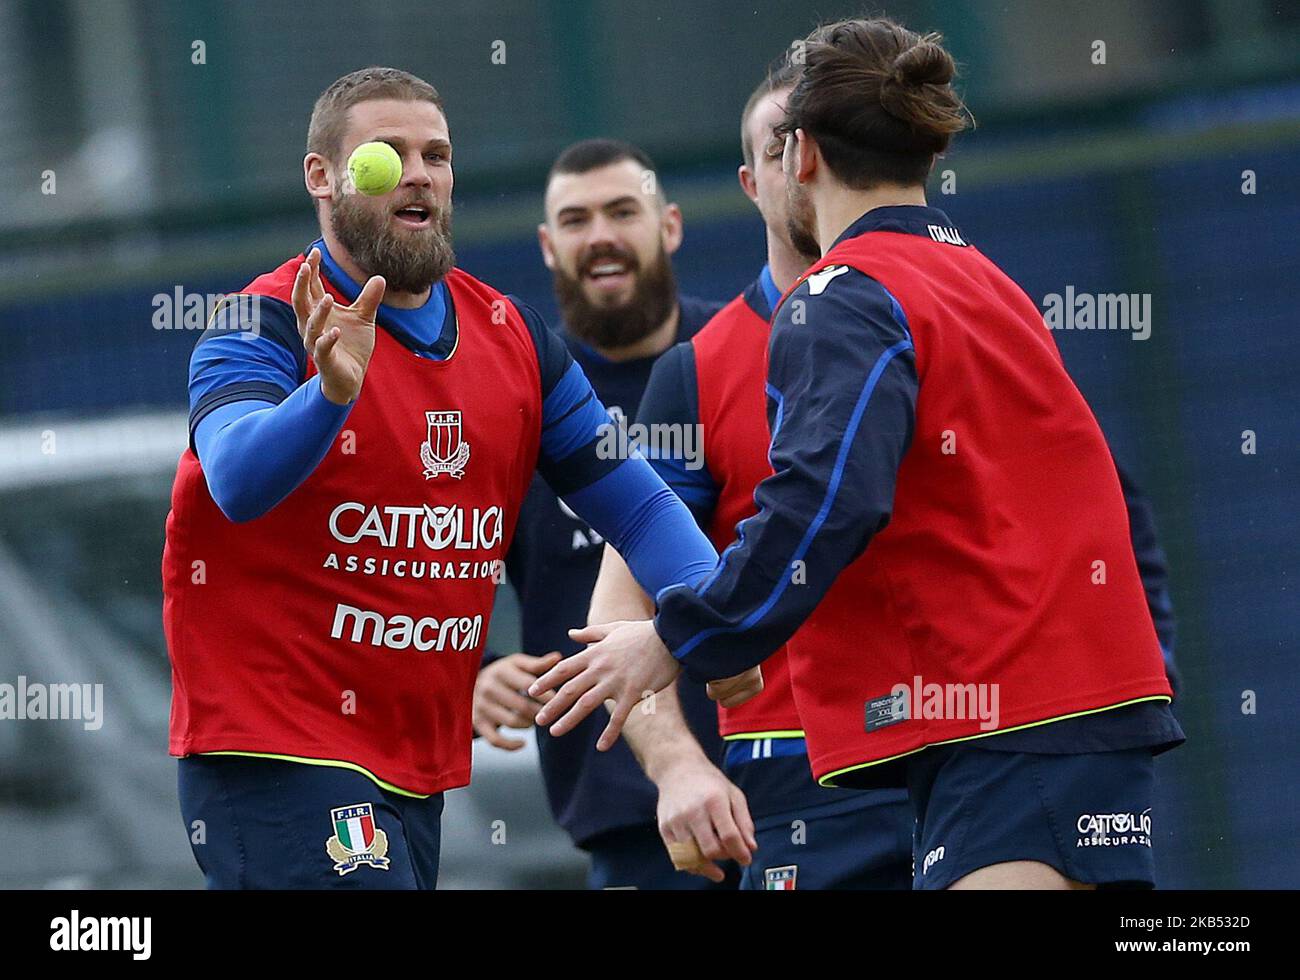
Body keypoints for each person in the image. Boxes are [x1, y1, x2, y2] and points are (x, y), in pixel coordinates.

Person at [533, 18, 1185, 890]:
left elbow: (825, 499)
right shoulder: (983, 279)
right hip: (1026, 731)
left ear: (799, 156)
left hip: (1010, 736)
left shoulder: (845, 294)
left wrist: (685, 636)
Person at [161, 68, 719, 889]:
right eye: (388, 153)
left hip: (414, 768)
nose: (419, 172)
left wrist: (713, 619)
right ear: (322, 178)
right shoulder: (263, 321)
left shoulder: (514, 339)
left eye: (438, 153)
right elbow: (238, 481)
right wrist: (329, 395)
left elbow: (637, 507)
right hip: (279, 749)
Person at [584, 66, 913, 890]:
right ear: (751, 180)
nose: (804, 169)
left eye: (818, 148)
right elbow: (618, 606)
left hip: (959, 746)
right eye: (779, 149)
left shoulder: (937, 308)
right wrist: (676, 766)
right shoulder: (694, 373)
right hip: (793, 770)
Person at [471, 139, 739, 890]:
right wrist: (469, 675)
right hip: (625, 816)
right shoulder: (518, 406)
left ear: (671, 226)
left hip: (789, 775)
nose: (601, 236)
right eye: (576, 220)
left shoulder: (750, 357)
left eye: (623, 212)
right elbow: (425, 563)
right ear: (549, 247)